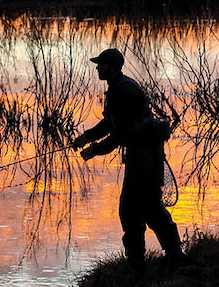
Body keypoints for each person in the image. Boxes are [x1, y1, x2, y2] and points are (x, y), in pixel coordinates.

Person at [71, 47, 183, 268]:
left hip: (145, 160)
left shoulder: (123, 91)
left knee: (141, 210)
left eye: (100, 64)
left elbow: (122, 133)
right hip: (140, 158)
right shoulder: (118, 88)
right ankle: (152, 260)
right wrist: (86, 137)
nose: (97, 68)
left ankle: (161, 260)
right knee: (140, 210)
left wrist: (95, 150)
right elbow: (111, 124)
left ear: (111, 67)